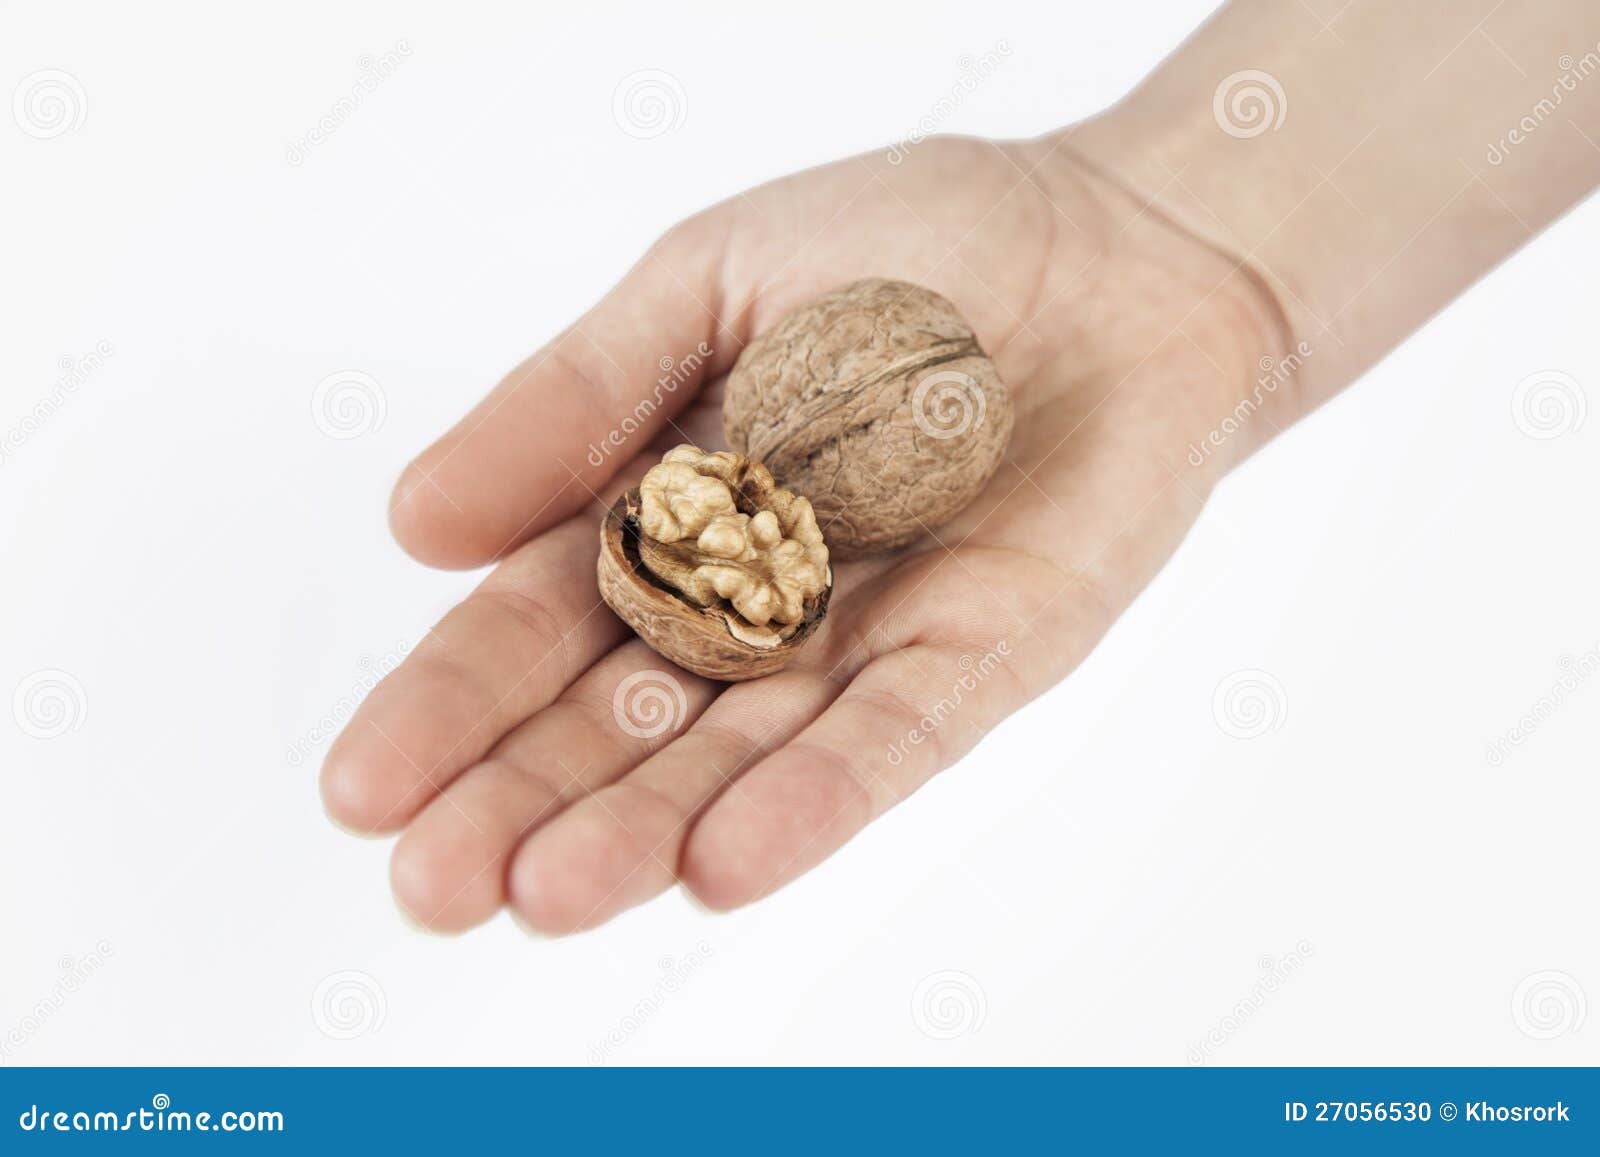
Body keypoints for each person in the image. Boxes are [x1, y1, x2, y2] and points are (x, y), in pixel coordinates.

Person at [320, 1, 1600, 934]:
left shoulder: (788, 461)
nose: (751, 497)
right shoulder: (760, 458)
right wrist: (1205, 195)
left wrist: (1206, 214)